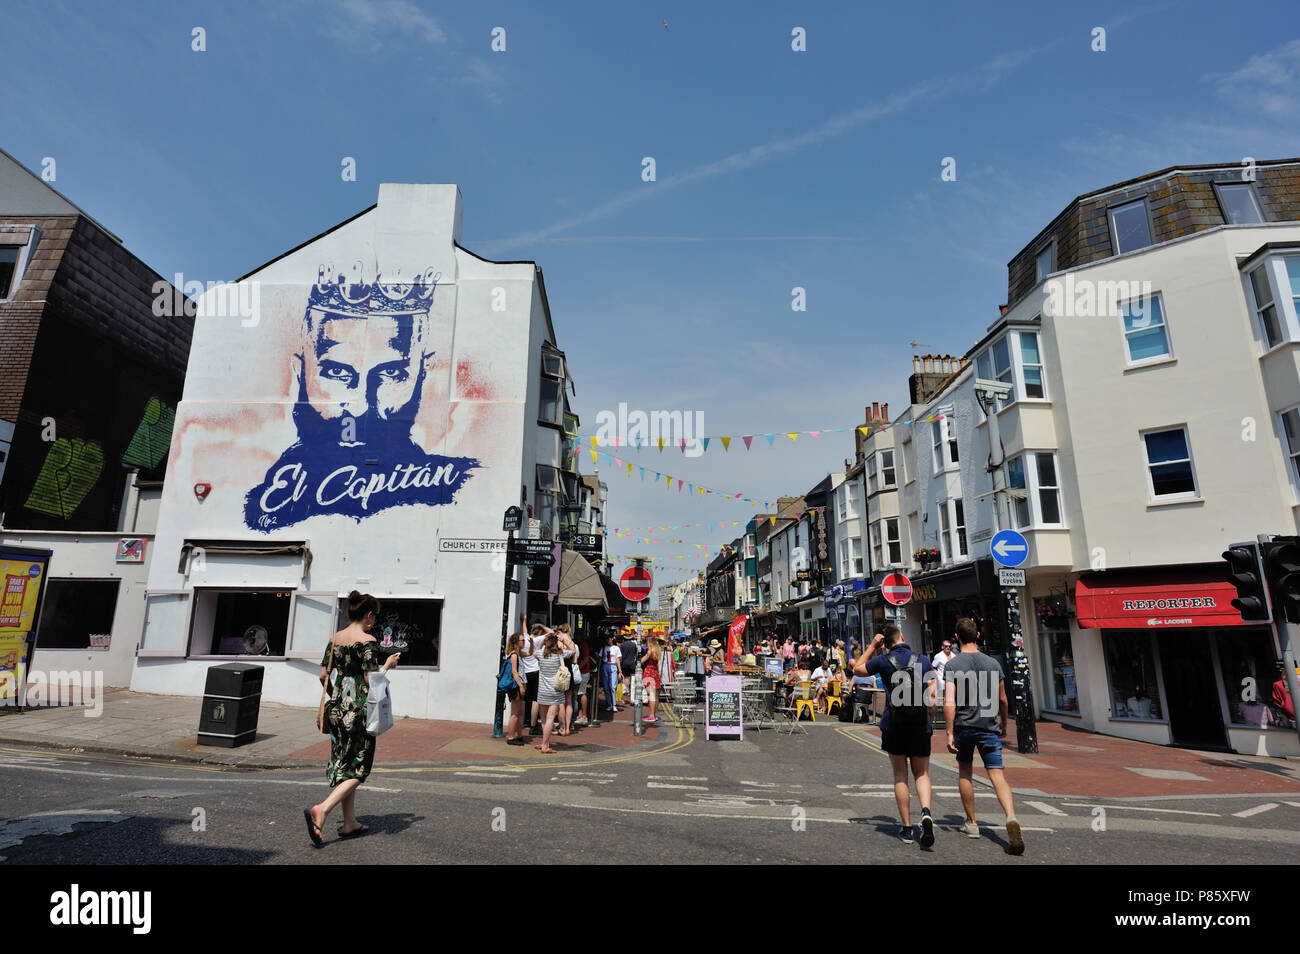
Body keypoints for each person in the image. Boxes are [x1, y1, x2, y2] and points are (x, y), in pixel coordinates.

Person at [304, 591, 399, 847]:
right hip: (359, 711)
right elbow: (370, 679)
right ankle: (323, 809)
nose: (374, 622)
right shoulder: (367, 640)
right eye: (374, 617)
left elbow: (323, 674)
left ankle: (349, 823)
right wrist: (387, 665)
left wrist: (338, 695)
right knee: (360, 768)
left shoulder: (335, 639)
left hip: (336, 710)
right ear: (369, 615)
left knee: (345, 764)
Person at [944, 617, 1024, 856]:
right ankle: (1010, 816)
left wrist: (949, 732)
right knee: (997, 775)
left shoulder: (953, 665)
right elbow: (1002, 700)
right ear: (977, 636)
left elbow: (950, 701)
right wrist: (1005, 725)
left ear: (957, 638)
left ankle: (971, 823)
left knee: (965, 771)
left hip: (965, 726)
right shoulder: (992, 664)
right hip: (989, 726)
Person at [854, 623, 937, 847]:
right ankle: (926, 813)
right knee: (922, 774)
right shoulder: (923, 660)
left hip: (894, 724)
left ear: (885, 643)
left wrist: (872, 646)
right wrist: (930, 719)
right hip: (920, 724)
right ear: (901, 636)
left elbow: (857, 669)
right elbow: (933, 694)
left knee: (900, 775)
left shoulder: (883, 660)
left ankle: (907, 829)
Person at [534, 632, 567, 754]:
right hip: (555, 691)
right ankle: (545, 746)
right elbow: (573, 651)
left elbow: (534, 651)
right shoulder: (560, 655)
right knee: (550, 719)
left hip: (542, 691)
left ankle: (544, 742)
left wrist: (543, 640)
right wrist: (564, 641)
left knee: (543, 719)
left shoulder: (540, 654)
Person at [504, 632, 528, 745]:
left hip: (521, 684)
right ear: (516, 642)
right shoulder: (514, 655)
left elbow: (530, 652)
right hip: (516, 685)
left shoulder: (519, 654)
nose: (524, 642)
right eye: (522, 640)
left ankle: (519, 735)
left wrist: (532, 643)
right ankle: (511, 737)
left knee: (520, 712)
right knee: (515, 713)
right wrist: (521, 686)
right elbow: (514, 672)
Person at [522, 624, 544, 735]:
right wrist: (543, 626)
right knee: (536, 699)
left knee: (527, 698)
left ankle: (526, 720)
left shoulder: (524, 638)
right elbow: (550, 633)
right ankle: (533, 725)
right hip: (535, 671)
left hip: (526, 673)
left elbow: (525, 630)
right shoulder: (537, 639)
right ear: (539, 633)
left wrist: (523, 620)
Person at [641, 637, 662, 722]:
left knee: (651, 695)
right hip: (655, 673)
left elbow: (642, 661)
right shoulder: (657, 652)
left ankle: (652, 715)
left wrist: (641, 658)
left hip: (649, 673)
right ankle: (654, 714)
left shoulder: (649, 652)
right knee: (655, 695)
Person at [601, 634, 622, 713]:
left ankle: (614, 705)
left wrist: (620, 671)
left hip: (613, 666)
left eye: (609, 638)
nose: (607, 640)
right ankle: (609, 704)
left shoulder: (616, 648)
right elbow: (600, 658)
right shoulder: (603, 648)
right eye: (606, 639)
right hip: (605, 666)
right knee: (606, 687)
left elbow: (617, 660)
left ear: (612, 639)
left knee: (613, 687)